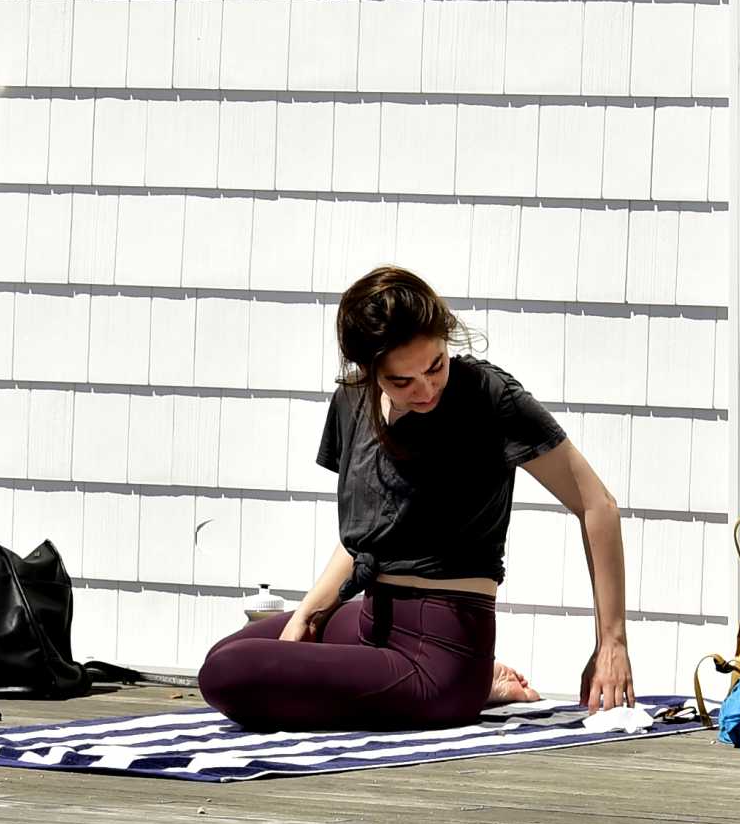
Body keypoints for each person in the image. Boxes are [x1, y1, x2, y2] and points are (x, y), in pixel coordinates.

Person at [198, 266, 634, 731]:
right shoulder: (352, 402)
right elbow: (363, 538)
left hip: (442, 650)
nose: (426, 389)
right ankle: (476, 685)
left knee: (230, 673)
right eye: (402, 381)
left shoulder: (489, 397)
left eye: (435, 366)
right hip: (371, 619)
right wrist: (309, 614)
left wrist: (611, 643)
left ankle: (467, 684)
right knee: (228, 650)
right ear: (368, 370)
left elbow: (597, 505)